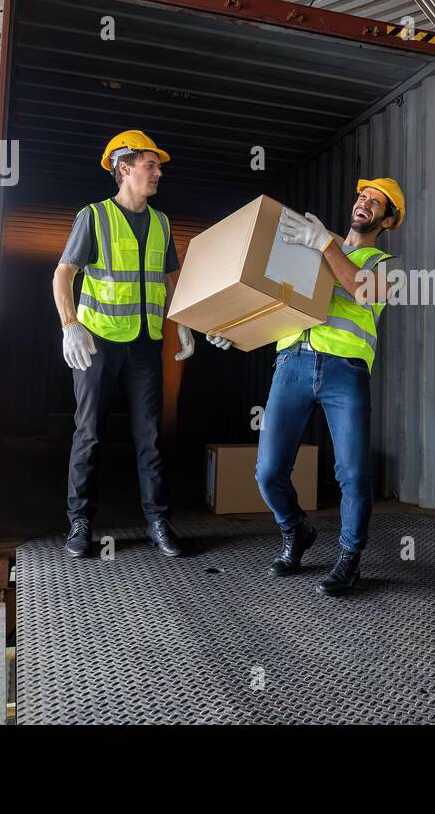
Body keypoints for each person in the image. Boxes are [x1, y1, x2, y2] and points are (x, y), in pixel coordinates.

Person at [209, 179, 404, 596]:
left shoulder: (386, 264)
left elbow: (362, 291)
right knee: (268, 472)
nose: (364, 203)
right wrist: (233, 328)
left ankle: (350, 559)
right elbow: (272, 300)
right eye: (362, 196)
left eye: (376, 202)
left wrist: (324, 245)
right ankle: (296, 530)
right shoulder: (311, 251)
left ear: (387, 220)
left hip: (344, 372)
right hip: (292, 364)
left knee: (352, 473)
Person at [52, 129, 197, 560]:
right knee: (89, 434)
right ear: (124, 168)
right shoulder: (94, 217)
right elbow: (63, 274)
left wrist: (183, 324)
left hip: (145, 345)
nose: (158, 172)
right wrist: (69, 325)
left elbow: (173, 280)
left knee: (150, 436)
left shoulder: (163, 223)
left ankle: (158, 521)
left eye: (158, 167)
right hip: (95, 344)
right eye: (151, 164)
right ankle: (80, 523)